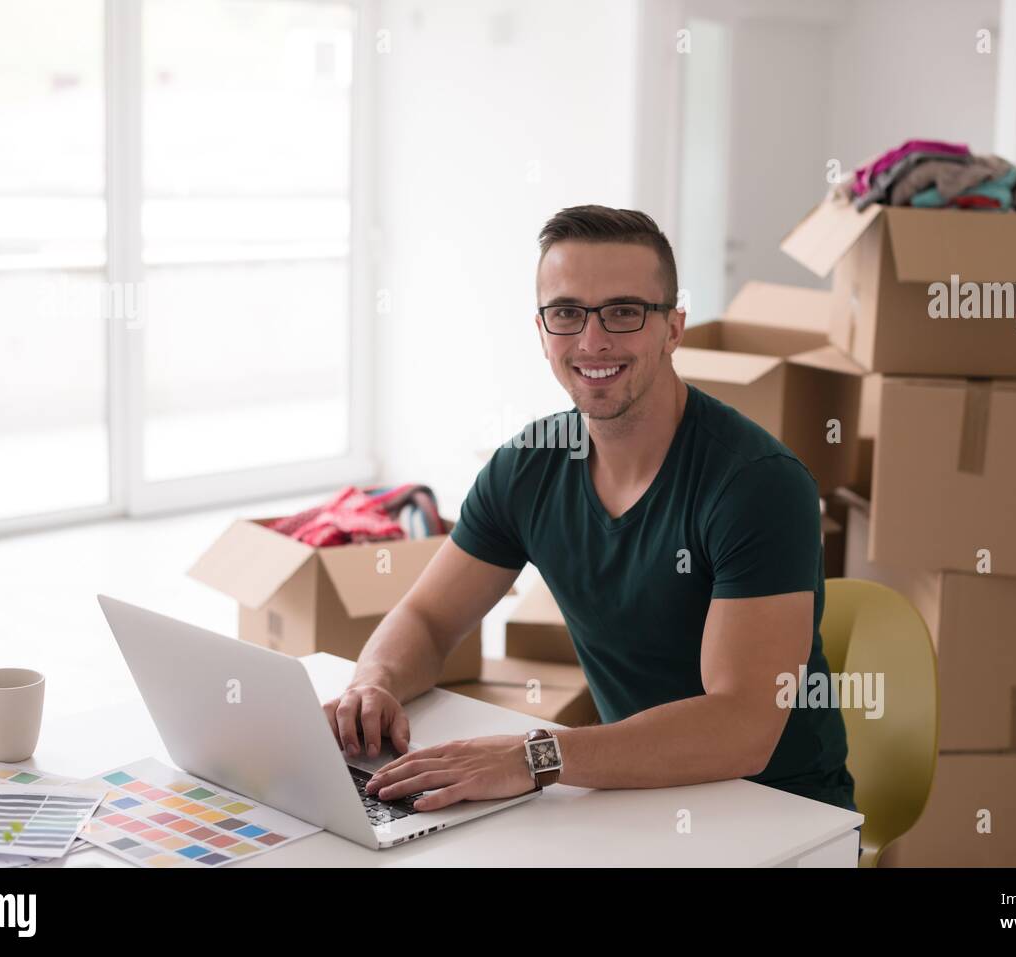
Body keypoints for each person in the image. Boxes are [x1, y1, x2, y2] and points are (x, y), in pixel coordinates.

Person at [324, 204, 856, 818]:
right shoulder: (528, 465)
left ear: (674, 328)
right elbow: (428, 618)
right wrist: (374, 683)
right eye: (567, 313)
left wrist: (535, 757)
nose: (593, 340)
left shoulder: (758, 486)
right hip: (632, 794)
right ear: (542, 330)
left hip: (781, 814)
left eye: (625, 312)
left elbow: (742, 727)